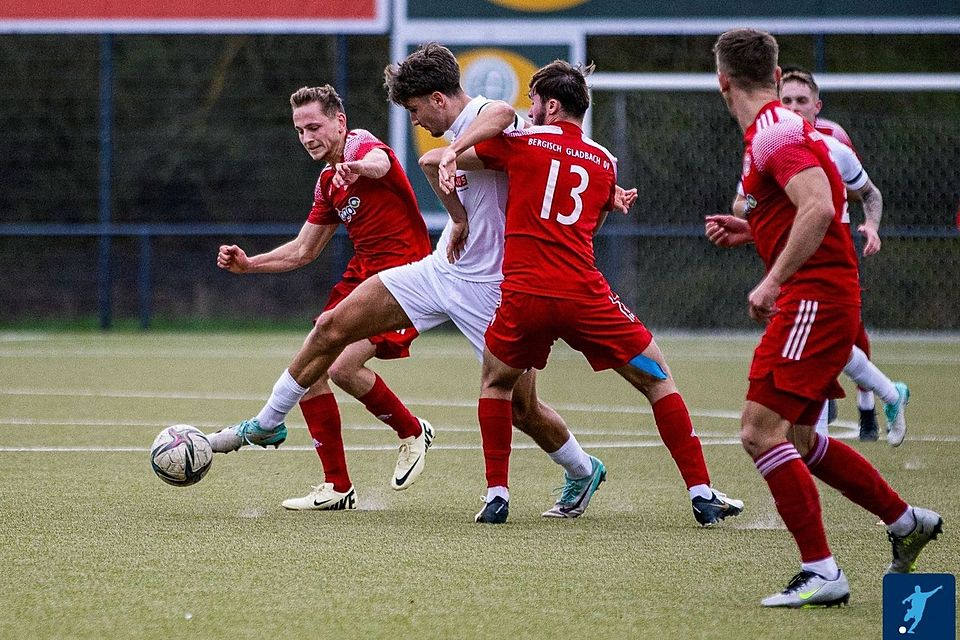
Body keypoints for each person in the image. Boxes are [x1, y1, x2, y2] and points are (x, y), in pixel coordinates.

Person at [207, 52, 617, 521]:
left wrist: (453, 151)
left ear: (439, 98)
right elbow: (425, 164)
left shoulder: (487, 116)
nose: (414, 118)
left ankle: (583, 469)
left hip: (494, 290)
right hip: (440, 272)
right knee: (329, 329)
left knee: (523, 408)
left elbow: (501, 113)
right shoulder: (424, 149)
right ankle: (266, 423)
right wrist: (459, 218)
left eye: (416, 109)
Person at [432, 58, 743, 526]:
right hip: (584, 297)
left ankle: (497, 495)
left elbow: (457, 158)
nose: (528, 112)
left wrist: (456, 157)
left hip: (524, 297)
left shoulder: (521, 142)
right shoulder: (605, 162)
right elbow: (590, 224)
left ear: (552, 105)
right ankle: (701, 494)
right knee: (658, 379)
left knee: (497, 385)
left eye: (534, 103)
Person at [706, 28, 942, 608]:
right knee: (802, 436)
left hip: (813, 297)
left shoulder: (771, 131)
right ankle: (906, 520)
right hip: (822, 296)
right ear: (775, 71)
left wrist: (772, 279)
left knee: (759, 433)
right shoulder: (779, 131)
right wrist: (752, 229)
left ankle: (822, 572)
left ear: (723, 81)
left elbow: (815, 207)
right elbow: (811, 205)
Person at [208, 85, 435, 511]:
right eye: (299, 130)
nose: (307, 137)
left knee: (337, 362)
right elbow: (302, 251)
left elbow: (380, 161)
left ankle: (410, 432)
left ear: (339, 122)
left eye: (314, 126)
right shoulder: (328, 182)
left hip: (407, 277)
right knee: (318, 367)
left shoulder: (360, 144)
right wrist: (249, 264)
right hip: (363, 275)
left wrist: (358, 168)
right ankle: (337, 487)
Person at [728, 70, 909, 444]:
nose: (793, 107)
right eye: (787, 100)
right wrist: (750, 215)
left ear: (817, 106)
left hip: (828, 263)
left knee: (826, 349)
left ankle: (824, 438)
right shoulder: (768, 143)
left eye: (801, 101)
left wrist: (872, 226)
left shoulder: (834, 148)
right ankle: (889, 394)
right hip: (788, 261)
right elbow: (745, 203)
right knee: (833, 350)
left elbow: (868, 194)